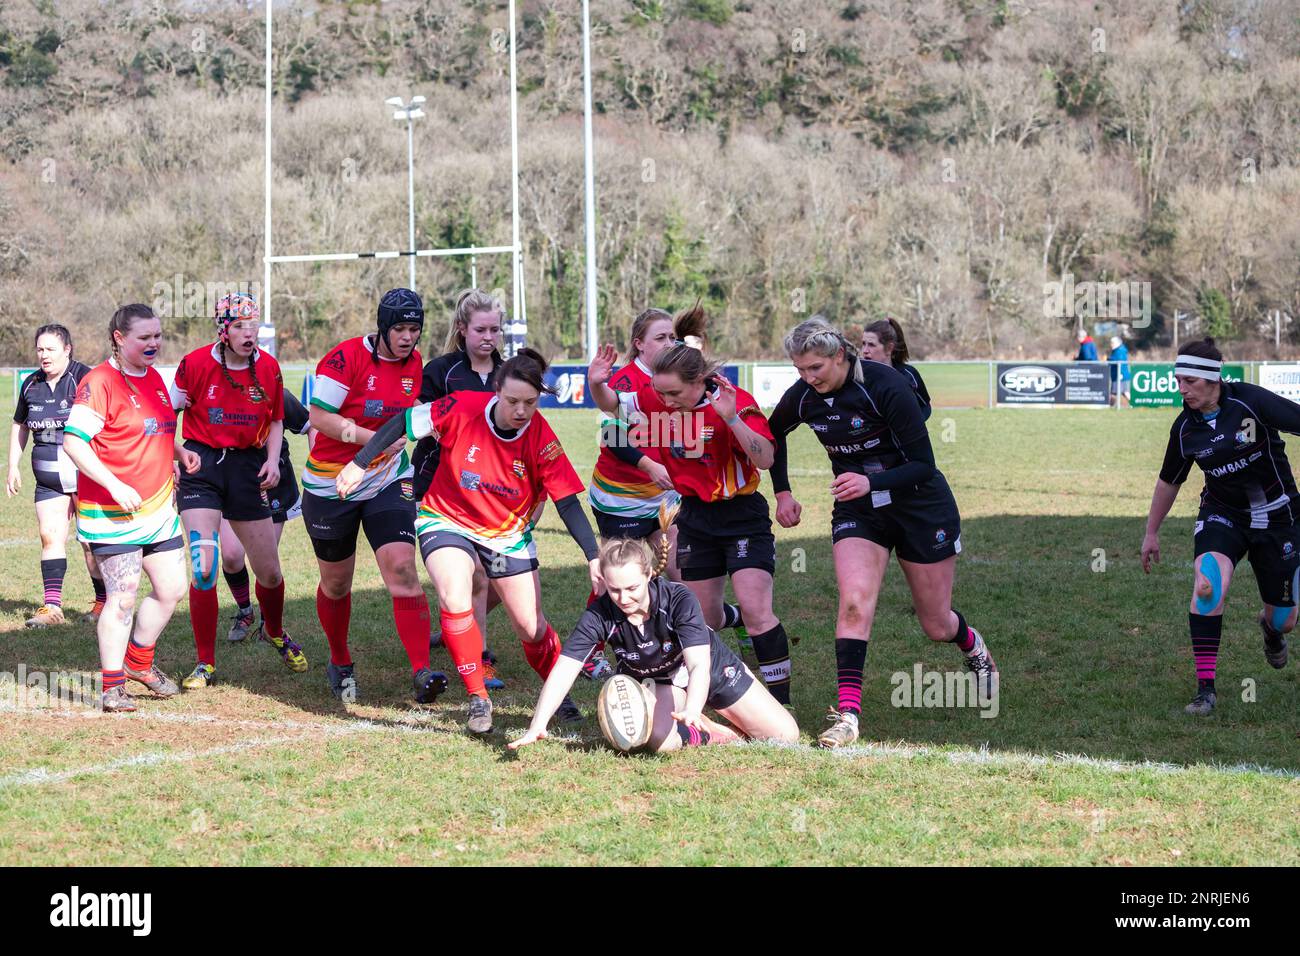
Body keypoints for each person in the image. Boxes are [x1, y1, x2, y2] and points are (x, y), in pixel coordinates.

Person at [337, 348, 601, 735]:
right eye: (512, 401)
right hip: (446, 518)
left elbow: (567, 502)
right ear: (496, 391)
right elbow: (404, 422)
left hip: (506, 535)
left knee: (531, 628)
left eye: (530, 402)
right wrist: (359, 464)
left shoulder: (541, 437)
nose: (521, 411)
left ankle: (559, 694)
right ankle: (478, 698)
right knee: (455, 595)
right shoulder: (461, 407)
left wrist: (593, 555)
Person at [769, 317, 997, 749]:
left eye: (815, 368)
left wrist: (871, 482)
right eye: (799, 370)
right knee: (854, 602)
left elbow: (922, 463)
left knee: (936, 623)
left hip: (920, 506)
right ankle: (848, 715)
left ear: (840, 355)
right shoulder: (803, 396)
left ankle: (974, 647)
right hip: (860, 510)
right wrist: (782, 492)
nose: (808, 378)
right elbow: (773, 433)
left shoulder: (885, 384)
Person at [588, 305, 795, 706]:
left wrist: (732, 420)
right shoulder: (659, 398)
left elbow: (766, 458)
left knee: (755, 609)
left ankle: (781, 702)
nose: (664, 402)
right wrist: (596, 383)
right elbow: (613, 408)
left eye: (673, 393)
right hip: (694, 516)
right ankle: (721, 692)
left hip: (740, 516)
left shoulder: (734, 402)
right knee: (703, 618)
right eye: (660, 393)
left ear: (699, 381)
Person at [509, 537, 799, 751]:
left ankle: (701, 714)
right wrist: (538, 724)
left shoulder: (678, 599)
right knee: (657, 742)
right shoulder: (599, 613)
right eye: (614, 590)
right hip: (656, 681)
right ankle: (707, 733)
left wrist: (694, 709)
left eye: (632, 588)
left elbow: (698, 664)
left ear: (649, 575)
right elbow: (564, 670)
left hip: (709, 670)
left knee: (785, 736)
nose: (623, 599)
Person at [1141, 338, 1300, 715]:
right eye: (1178, 379)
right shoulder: (1185, 429)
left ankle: (1271, 629)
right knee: (1207, 586)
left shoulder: (1250, 402)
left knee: (1286, 620)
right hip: (1222, 514)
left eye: (1190, 381)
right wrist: (1151, 532)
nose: (1182, 388)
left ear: (1212, 378)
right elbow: (1169, 481)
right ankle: (1205, 690)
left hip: (1279, 518)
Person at [304, 288, 447, 704]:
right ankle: (340, 659)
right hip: (334, 483)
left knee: (402, 568)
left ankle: (422, 670)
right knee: (335, 584)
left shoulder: (415, 363)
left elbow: (406, 417)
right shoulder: (344, 358)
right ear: (382, 328)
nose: (407, 337)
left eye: (414, 329)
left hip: (387, 477)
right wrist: (372, 441)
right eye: (399, 328)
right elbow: (320, 418)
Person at [169, 293, 304, 688]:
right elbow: (165, 416)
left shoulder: (270, 368)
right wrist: (175, 454)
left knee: (271, 573)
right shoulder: (194, 364)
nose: (250, 334)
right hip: (201, 467)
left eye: (254, 326)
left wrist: (272, 459)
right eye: (241, 327)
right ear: (223, 330)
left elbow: (278, 419)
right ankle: (205, 663)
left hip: (249, 469)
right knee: (205, 569)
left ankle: (274, 631)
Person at [63, 304, 192, 712]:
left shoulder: (154, 378)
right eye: (145, 337)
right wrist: (114, 485)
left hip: (157, 509)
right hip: (111, 514)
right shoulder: (99, 382)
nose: (154, 343)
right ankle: (113, 686)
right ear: (120, 338)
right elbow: (74, 442)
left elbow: (151, 428)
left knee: (172, 589)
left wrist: (178, 451)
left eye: (158, 336)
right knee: (122, 597)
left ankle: (140, 661)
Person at [414, 289, 507, 687]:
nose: (489, 337)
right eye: (481, 329)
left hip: (498, 489)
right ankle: (478, 657)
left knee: (499, 579)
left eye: (496, 330)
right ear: (462, 329)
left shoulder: (511, 372)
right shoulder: (441, 371)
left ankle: (457, 628)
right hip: (441, 484)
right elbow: (418, 421)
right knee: (472, 577)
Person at [7, 324, 105, 626]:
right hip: (48, 480)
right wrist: (12, 465)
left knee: (91, 544)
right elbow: (19, 425)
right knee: (49, 536)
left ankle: (103, 603)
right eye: (40, 349)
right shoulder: (30, 384)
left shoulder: (86, 380)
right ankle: (52, 608)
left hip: (86, 477)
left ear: (67, 350)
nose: (43, 355)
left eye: (50, 349)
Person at [219, 389, 312, 644]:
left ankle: (267, 623)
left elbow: (310, 424)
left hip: (273, 484)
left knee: (265, 563)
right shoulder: (217, 390)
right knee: (231, 555)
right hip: (233, 481)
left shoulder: (275, 391)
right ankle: (245, 611)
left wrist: (316, 467)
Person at [861, 317, 931, 419]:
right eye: (863, 344)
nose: (865, 350)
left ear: (889, 348)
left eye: (871, 345)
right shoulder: (857, 377)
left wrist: (911, 426)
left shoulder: (909, 374)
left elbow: (925, 407)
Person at [1108, 335, 1131, 407]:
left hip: (1120, 375)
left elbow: (1119, 360)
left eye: (1112, 343)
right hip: (1119, 375)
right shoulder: (1117, 350)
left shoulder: (1120, 350)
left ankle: (1110, 406)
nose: (1111, 345)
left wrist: (1109, 359)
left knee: (1115, 393)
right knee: (1124, 392)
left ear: (1117, 343)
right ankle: (1133, 405)